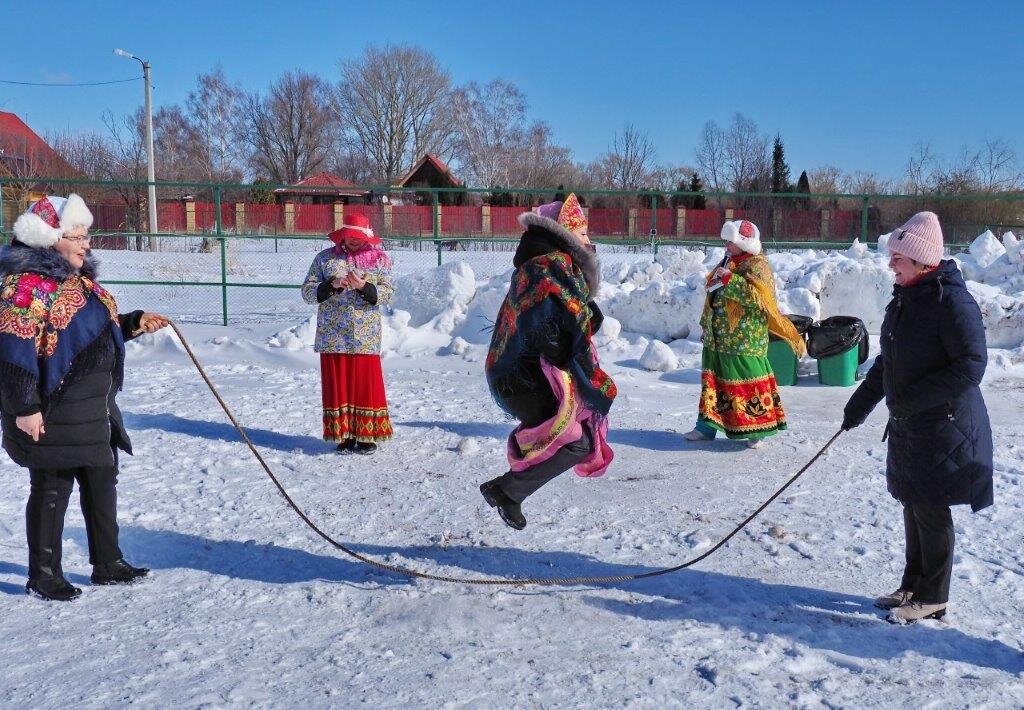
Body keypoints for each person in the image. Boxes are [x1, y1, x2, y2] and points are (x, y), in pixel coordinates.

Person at [0, 194, 169, 601]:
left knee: (101, 480)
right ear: (49, 238)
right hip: (54, 407)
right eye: (77, 235)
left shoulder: (77, 282)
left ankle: (107, 562)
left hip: (93, 407)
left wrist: (131, 323)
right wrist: (24, 407)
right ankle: (43, 575)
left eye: (85, 235)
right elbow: (11, 351)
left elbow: (84, 334)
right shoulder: (25, 289)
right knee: (52, 488)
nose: (85, 243)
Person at [842, 211, 993, 623]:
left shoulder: (951, 302)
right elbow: (887, 363)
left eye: (898, 258)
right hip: (913, 423)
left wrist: (911, 400)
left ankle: (934, 595)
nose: (891, 264)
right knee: (913, 501)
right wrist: (860, 405)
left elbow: (971, 366)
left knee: (930, 507)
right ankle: (912, 585)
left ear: (923, 262)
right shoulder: (907, 297)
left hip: (945, 425)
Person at [480, 194, 616, 530]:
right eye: (583, 233)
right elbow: (549, 327)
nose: (589, 240)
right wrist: (583, 366)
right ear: (566, 233)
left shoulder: (546, 264)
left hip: (520, 372)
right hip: (524, 376)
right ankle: (507, 491)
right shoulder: (548, 266)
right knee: (579, 441)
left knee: (579, 440)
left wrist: (584, 317)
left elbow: (563, 314)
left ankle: (508, 491)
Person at [683, 220, 805, 447]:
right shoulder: (729, 261)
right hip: (718, 336)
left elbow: (758, 298)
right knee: (713, 381)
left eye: (730, 242)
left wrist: (729, 279)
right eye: (726, 242)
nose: (726, 246)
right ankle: (706, 427)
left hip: (744, 339)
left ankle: (757, 431)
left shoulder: (759, 266)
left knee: (746, 381)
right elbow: (714, 289)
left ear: (744, 243)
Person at [301, 213, 394, 454]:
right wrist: (331, 285)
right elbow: (307, 292)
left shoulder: (379, 261)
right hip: (333, 334)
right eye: (349, 236)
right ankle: (343, 436)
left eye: (358, 236)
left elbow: (388, 293)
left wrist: (365, 288)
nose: (353, 241)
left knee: (364, 384)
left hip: (365, 334)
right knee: (338, 383)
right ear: (342, 235)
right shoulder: (325, 259)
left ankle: (366, 436)